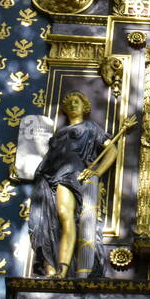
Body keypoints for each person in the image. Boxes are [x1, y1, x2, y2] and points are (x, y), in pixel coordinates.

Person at [27, 91, 121, 278]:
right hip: (48, 175)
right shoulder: (59, 133)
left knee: (64, 214)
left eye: (76, 101)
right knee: (44, 222)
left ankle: (63, 267)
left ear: (85, 107)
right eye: (68, 102)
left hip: (70, 173)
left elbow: (112, 151)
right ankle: (51, 266)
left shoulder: (90, 127)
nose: (72, 105)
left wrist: (96, 172)